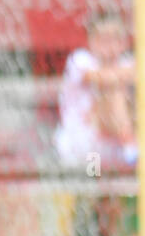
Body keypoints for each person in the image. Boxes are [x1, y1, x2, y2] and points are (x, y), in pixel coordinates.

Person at [54, 13, 136, 170]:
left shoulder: (127, 61)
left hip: (112, 144)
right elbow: (102, 78)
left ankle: (130, 146)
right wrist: (132, 73)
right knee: (112, 88)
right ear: (91, 41)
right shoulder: (81, 59)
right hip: (82, 143)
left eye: (115, 39)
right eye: (103, 40)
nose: (110, 45)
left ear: (124, 42)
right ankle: (130, 144)